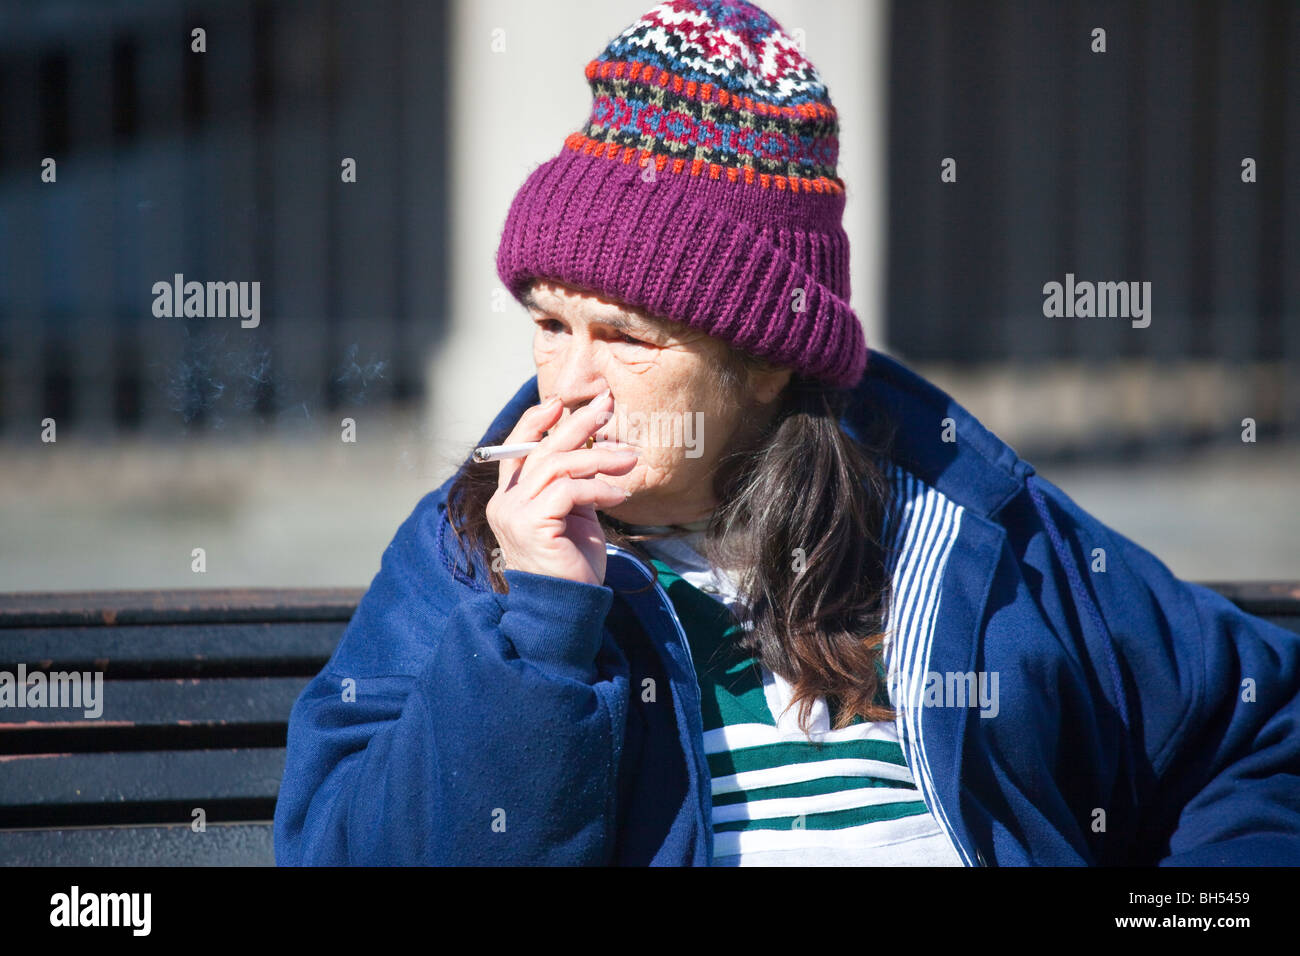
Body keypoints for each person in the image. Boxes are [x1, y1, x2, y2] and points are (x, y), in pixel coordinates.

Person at [273, 0, 1300, 866]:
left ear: (764, 360)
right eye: (549, 325)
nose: (567, 386)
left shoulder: (956, 515)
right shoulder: (471, 555)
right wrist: (540, 628)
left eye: (626, 338)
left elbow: (1255, 724)